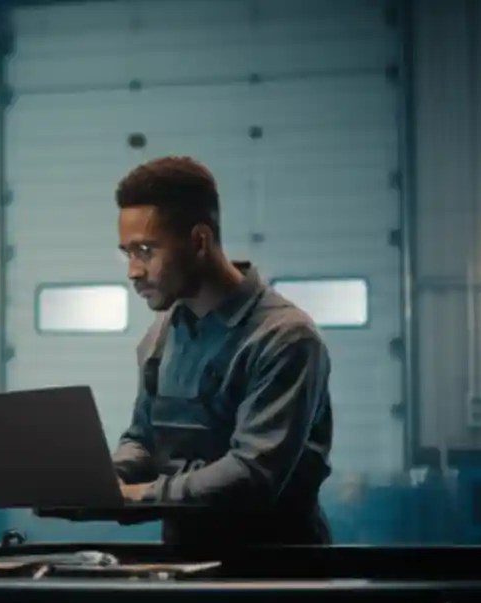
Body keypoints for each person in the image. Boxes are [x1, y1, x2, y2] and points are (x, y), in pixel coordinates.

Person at [111, 156, 333, 547]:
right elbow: (143, 438)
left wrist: (140, 495)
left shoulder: (285, 338)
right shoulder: (162, 334)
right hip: (185, 573)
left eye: (145, 250)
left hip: (277, 580)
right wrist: (107, 479)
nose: (133, 271)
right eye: (127, 252)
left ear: (199, 241)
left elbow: (253, 473)